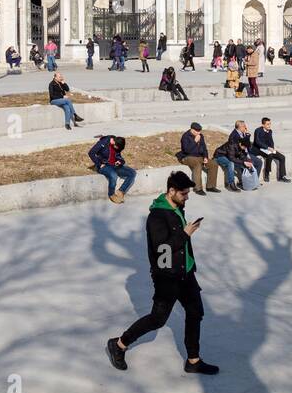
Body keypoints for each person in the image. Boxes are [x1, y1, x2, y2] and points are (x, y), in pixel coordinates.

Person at [105, 169, 219, 376]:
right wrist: (185, 234)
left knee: (195, 313)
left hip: (185, 273)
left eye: (188, 194)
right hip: (167, 276)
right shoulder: (157, 216)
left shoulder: (177, 208)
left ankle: (193, 360)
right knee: (158, 319)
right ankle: (119, 344)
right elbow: (161, 249)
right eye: (183, 194)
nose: (186, 198)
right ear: (171, 191)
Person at [215, 121, 261, 191]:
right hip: (220, 155)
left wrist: (246, 161)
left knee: (246, 162)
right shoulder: (232, 143)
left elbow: (241, 155)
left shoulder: (240, 146)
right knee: (231, 163)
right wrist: (243, 162)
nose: (245, 127)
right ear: (240, 144)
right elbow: (231, 158)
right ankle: (231, 184)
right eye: (244, 147)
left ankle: (247, 182)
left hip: (229, 155)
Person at [90, 134, 135, 204]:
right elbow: (91, 153)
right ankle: (111, 194)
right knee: (113, 175)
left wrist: (120, 161)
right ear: (115, 143)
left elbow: (119, 156)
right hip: (104, 166)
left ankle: (121, 191)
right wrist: (99, 164)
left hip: (114, 165)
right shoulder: (104, 143)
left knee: (132, 173)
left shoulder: (116, 143)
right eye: (117, 147)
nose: (117, 149)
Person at [176, 122, 220, 194]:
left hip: (199, 156)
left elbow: (204, 148)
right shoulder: (185, 136)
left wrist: (205, 157)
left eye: (200, 131)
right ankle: (198, 188)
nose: (199, 133)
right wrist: (195, 141)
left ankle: (210, 186)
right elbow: (186, 150)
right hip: (187, 157)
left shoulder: (200, 136)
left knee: (214, 164)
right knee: (197, 164)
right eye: (197, 131)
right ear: (192, 130)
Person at [253, 117, 290, 183]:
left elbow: (271, 141)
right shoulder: (258, 130)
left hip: (267, 149)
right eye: (267, 124)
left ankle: (282, 176)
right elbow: (257, 142)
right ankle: (267, 173)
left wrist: (272, 148)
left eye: (270, 124)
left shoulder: (270, 131)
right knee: (270, 155)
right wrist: (267, 148)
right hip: (258, 149)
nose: (269, 125)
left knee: (282, 157)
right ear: (263, 125)